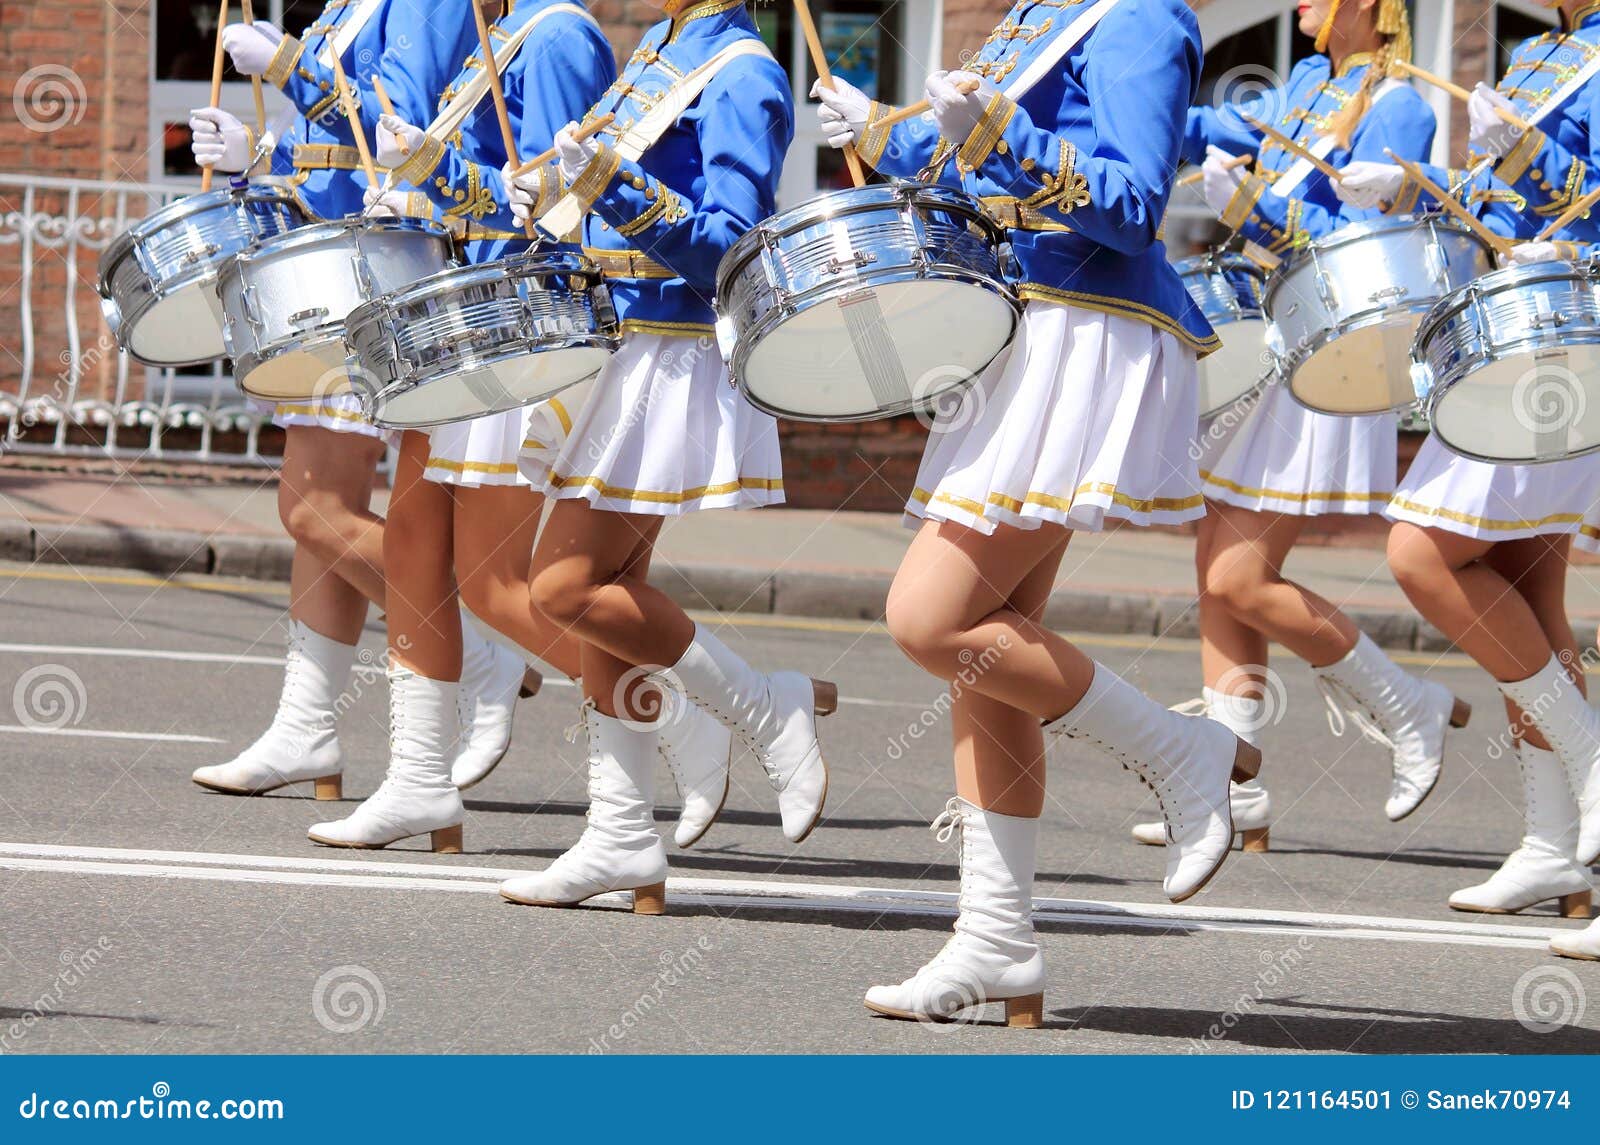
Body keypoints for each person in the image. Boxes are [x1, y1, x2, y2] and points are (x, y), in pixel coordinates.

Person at [815, 0, 1257, 1025]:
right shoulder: (1036, 16)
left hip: (1082, 333)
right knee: (984, 665)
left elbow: (1133, 204)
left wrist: (999, 133)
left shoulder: (1138, 16)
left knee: (929, 619)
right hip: (1019, 334)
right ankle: (998, 939)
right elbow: (961, 161)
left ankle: (1182, 752)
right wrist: (878, 126)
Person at [491, 0, 814, 911]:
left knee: (561, 585)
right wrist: (556, 205)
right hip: (620, 342)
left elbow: (732, 246)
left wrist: (616, 191)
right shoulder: (660, 51)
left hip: (666, 355)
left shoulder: (743, 70)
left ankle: (762, 703)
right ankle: (622, 833)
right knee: (602, 605)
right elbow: (611, 203)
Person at [1126, 0, 1463, 858]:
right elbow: (1218, 120)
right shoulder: (1309, 81)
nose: (1301, 4)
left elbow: (1370, 245)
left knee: (1240, 579)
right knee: (1217, 571)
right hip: (1266, 336)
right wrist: (1127, 83)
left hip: (1322, 344)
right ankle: (1234, 785)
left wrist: (1262, 212)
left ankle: (1405, 702)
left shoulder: (1403, 105)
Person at [187, 0, 532, 804]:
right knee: (322, 512)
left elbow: (393, 126)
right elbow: (340, 151)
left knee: (311, 510)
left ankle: (477, 652)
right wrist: (263, 153)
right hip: (330, 258)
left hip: (373, 264)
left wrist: (282, 69)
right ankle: (306, 722)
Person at [303, 0, 621, 851]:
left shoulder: (556, 35)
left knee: (496, 585)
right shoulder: (504, 31)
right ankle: (417, 780)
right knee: (409, 542)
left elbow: (558, 214)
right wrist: (422, 175)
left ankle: (695, 710)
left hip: (516, 331)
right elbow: (475, 188)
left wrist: (450, 175)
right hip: (458, 324)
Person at [1334, 0, 1600, 918]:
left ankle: (1592, 754)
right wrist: (1420, 186)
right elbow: (1505, 198)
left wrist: (1533, 157)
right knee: (1528, 592)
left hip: (1568, 333)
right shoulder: (1543, 54)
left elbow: (1577, 188)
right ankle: (1552, 843)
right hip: (1525, 325)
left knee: (1420, 548)